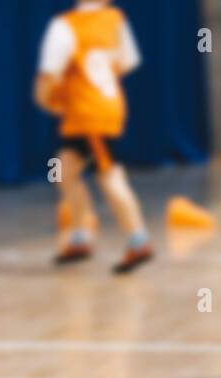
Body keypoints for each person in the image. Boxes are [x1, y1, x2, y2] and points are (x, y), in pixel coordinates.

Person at [34, 0, 154, 273]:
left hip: (88, 112)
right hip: (106, 107)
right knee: (66, 171)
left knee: (110, 176)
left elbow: (48, 76)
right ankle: (80, 236)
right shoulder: (115, 19)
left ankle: (138, 240)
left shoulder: (64, 26)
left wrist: (48, 100)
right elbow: (125, 63)